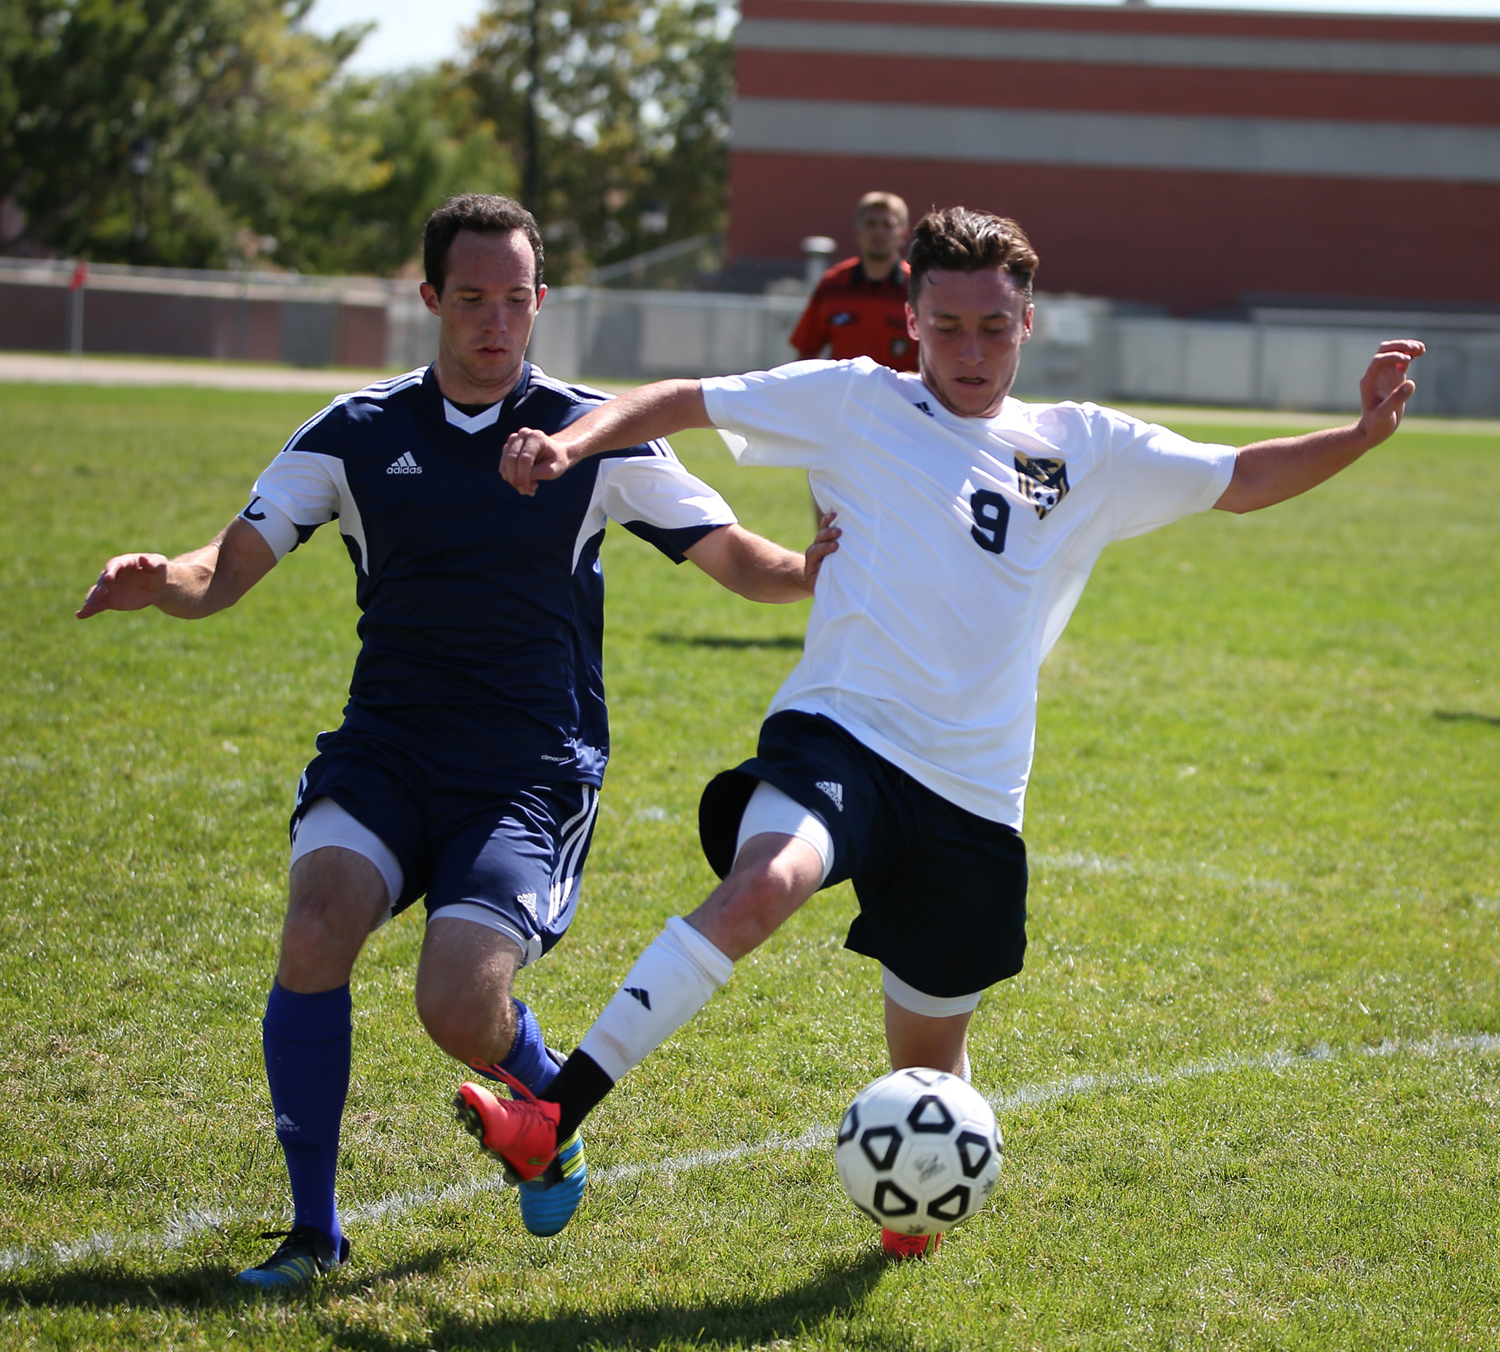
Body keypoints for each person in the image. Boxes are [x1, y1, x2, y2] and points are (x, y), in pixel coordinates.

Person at [455, 205, 1426, 1259]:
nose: (971, 350)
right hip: (841, 737)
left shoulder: (1082, 446)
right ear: (911, 317)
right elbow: (680, 397)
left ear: (1029, 320)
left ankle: (910, 1210)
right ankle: (553, 1113)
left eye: (994, 328)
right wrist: (570, 438)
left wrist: (1362, 434)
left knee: (926, 1067)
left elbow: (1243, 479)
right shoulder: (855, 401)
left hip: (971, 792)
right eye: (948, 324)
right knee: (766, 881)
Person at [75, 193, 839, 1286]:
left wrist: (809, 569)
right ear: (429, 297)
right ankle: (312, 1232)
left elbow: (734, 558)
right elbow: (224, 568)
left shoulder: (597, 434)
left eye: (515, 299)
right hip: (386, 748)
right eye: (470, 298)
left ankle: (551, 1100)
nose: (495, 320)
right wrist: (167, 580)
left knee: (455, 1002)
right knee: (316, 924)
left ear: (540, 301)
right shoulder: (354, 432)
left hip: (528, 772)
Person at [789, 192, 916, 372]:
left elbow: (934, 359)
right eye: (871, 224)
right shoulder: (832, 284)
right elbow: (806, 353)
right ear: (857, 232)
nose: (878, 232)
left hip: (899, 398)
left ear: (903, 234)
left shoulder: (917, 287)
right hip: (841, 397)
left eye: (887, 225)